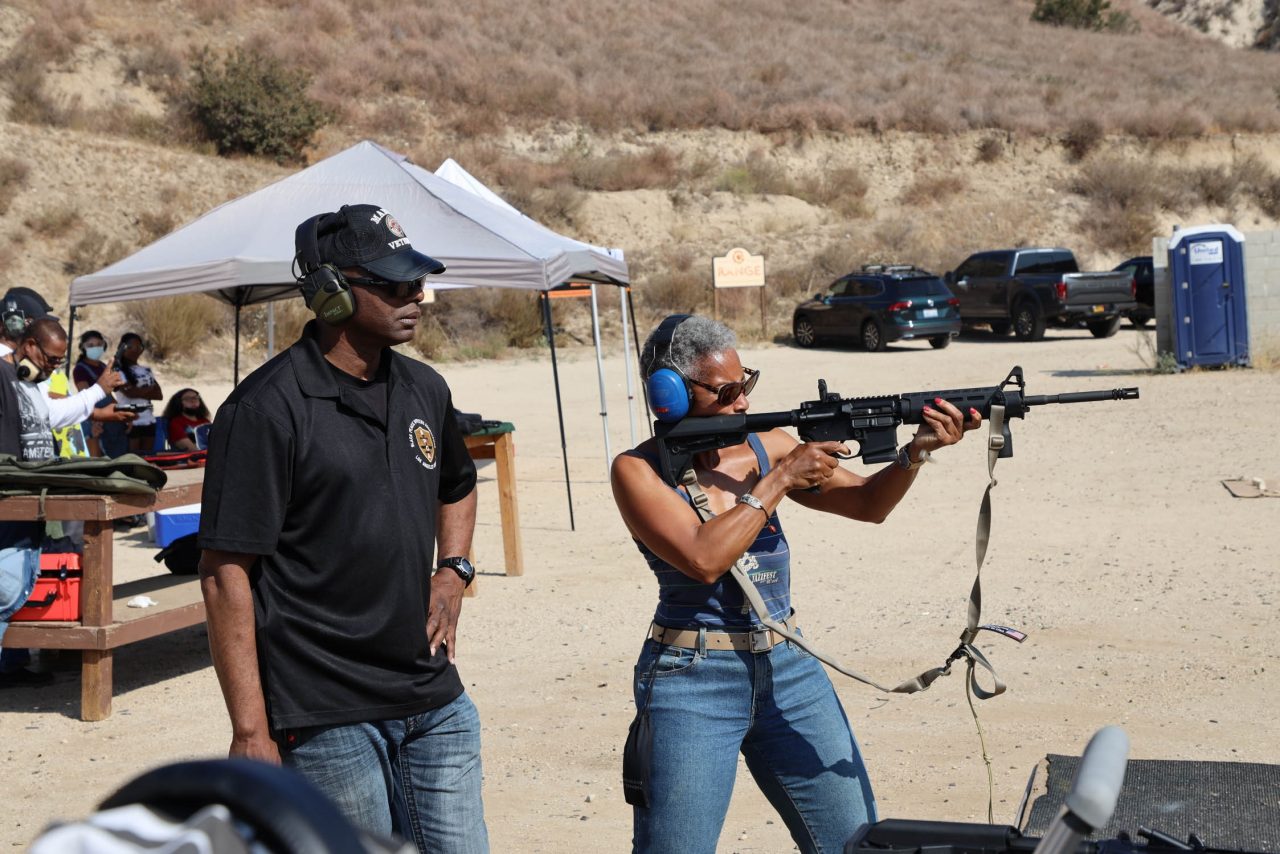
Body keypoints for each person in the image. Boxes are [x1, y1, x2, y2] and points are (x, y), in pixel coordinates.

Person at [610, 315, 982, 854]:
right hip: (692, 679)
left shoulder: (766, 445)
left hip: (789, 666)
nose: (742, 402)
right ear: (669, 393)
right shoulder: (637, 472)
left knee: (853, 840)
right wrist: (782, 479)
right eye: (728, 391)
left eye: (747, 385)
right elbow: (703, 558)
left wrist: (916, 452)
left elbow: (867, 504)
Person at [198, 204, 487, 853]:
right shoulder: (264, 410)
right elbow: (224, 577)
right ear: (329, 290)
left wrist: (454, 569)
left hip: (432, 698)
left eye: (418, 280)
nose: (417, 296)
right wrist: (251, 729)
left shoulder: (425, 390)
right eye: (393, 283)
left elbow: (459, 485)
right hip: (326, 716)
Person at [0, 318, 75, 687]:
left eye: (59, 362)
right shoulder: (2, 376)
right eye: (50, 358)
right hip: (11, 500)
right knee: (7, 585)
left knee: (20, 585)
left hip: (34, 501)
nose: (52, 367)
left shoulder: (31, 385)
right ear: (29, 345)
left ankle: (10, 665)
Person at [111, 333, 162, 455]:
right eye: (131, 347)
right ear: (122, 347)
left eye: (139, 347)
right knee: (133, 457)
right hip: (131, 420)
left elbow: (159, 395)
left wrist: (137, 391)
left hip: (149, 419)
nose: (135, 350)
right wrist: (149, 389)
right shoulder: (117, 370)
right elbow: (130, 394)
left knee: (147, 456)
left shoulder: (146, 370)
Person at [72, 330, 110, 456]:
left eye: (99, 344)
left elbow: (110, 395)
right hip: (93, 417)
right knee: (97, 457)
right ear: (83, 347)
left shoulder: (104, 367)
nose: (96, 348)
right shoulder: (80, 369)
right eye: (91, 345)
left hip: (108, 416)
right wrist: (95, 421)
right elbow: (85, 394)